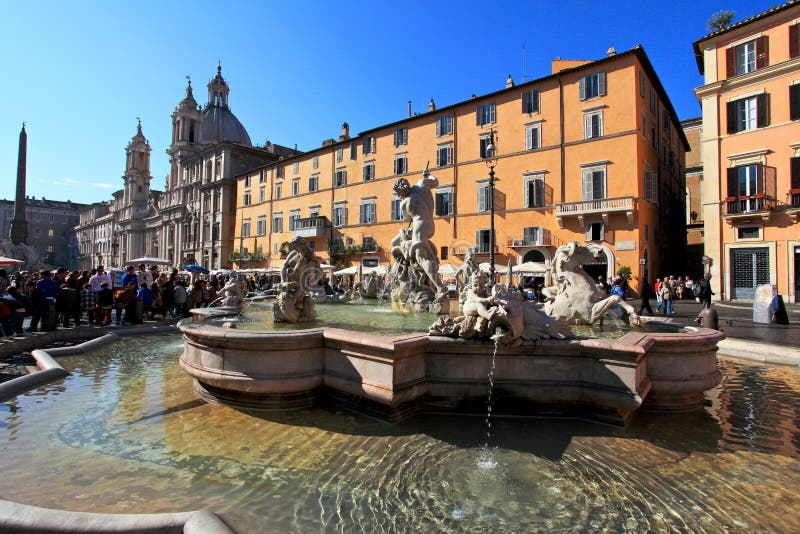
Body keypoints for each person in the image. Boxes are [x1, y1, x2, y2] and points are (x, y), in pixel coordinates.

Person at [392, 170, 444, 295]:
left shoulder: (404, 203)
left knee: (421, 258)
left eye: (398, 193)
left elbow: (407, 218)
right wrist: (427, 175)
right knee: (396, 242)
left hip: (419, 226)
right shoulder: (422, 184)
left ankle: (441, 287)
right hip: (430, 225)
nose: (398, 196)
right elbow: (436, 181)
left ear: (401, 192)